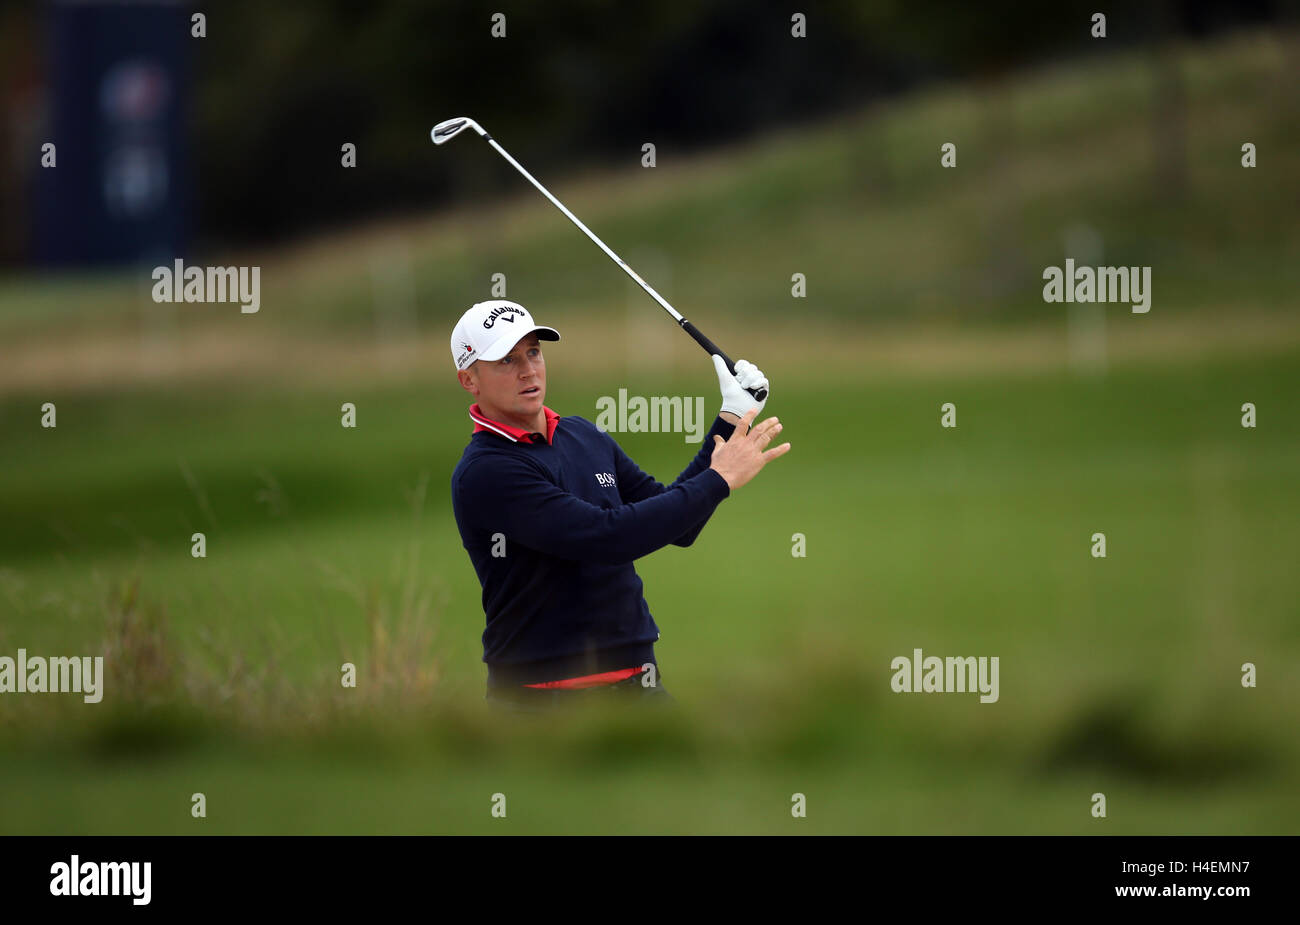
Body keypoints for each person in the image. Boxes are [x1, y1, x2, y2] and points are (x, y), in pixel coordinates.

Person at [449, 299, 790, 714]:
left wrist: (732, 418)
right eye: (506, 360)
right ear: (470, 380)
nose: (528, 370)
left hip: (638, 681)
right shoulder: (487, 472)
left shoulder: (582, 435)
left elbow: (677, 524)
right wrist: (720, 479)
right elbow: (607, 537)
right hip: (543, 700)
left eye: (533, 352)